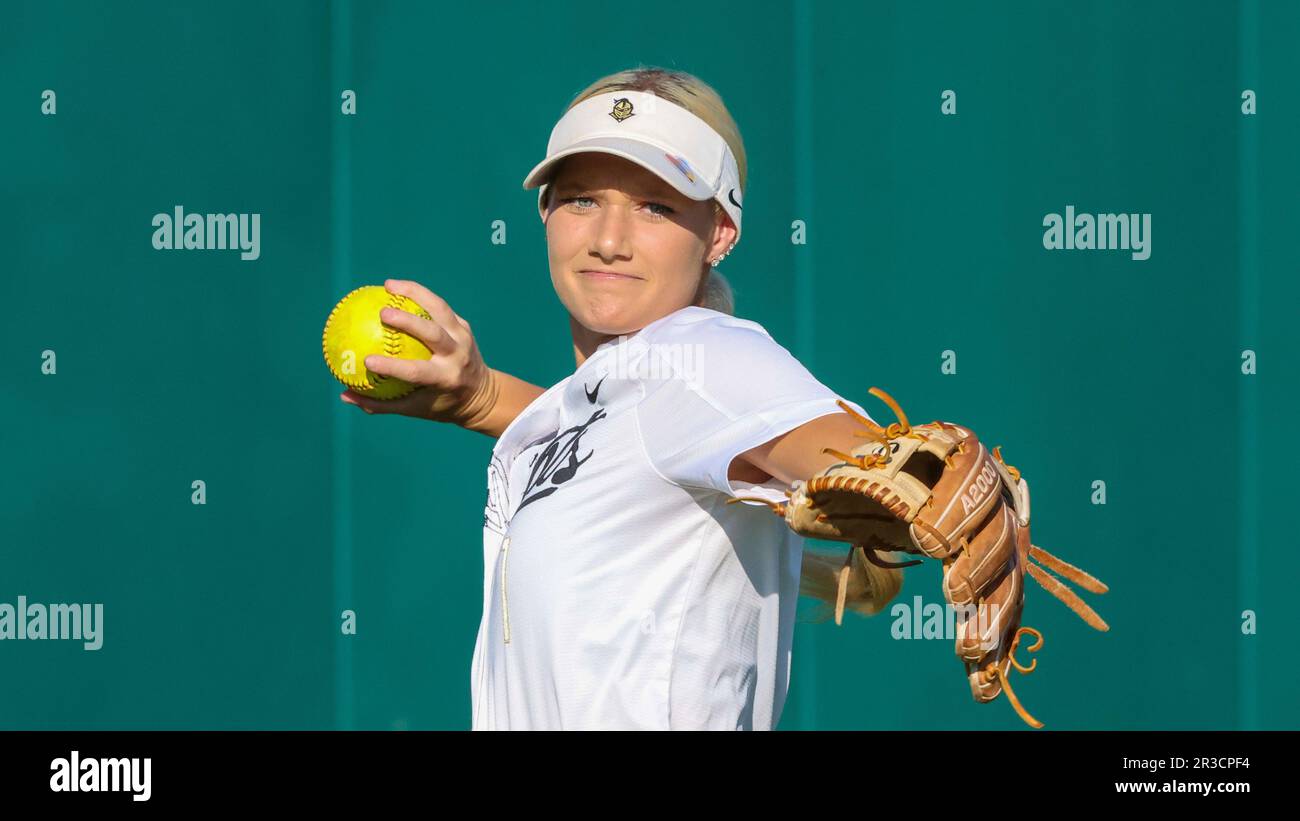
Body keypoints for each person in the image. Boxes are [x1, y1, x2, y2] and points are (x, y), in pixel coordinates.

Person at [339, 67, 901, 730]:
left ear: (720, 231)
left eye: (656, 206)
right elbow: (622, 440)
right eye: (580, 199)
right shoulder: (642, 395)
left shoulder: (707, 354)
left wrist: (911, 480)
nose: (608, 239)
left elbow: (878, 465)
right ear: (544, 213)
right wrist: (481, 399)